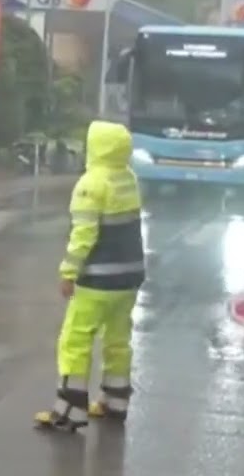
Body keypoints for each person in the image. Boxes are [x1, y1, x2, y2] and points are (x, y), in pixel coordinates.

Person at [34, 120, 145, 431]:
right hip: (129, 279)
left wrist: (68, 273)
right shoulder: (129, 179)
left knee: (75, 340)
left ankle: (70, 410)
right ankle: (115, 402)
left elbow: (83, 235)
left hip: (98, 280)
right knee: (118, 340)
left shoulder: (90, 184)